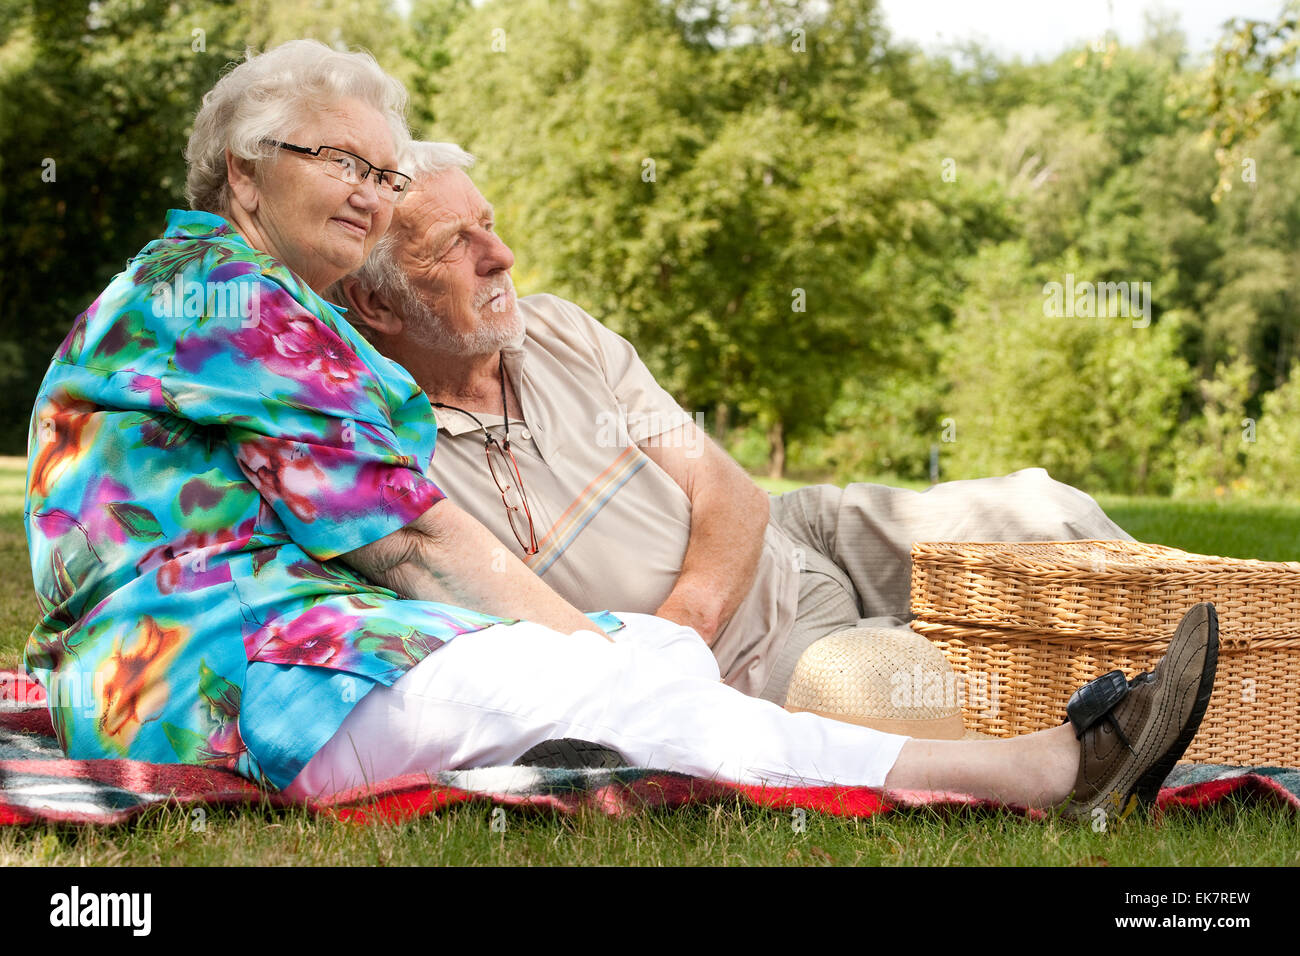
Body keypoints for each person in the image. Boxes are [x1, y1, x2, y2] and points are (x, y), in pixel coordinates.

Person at [24, 43, 1215, 819]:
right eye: (338, 160)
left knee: (1012, 515)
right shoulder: (223, 297)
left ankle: (1087, 736)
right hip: (209, 674)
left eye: (384, 177)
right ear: (241, 172)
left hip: (252, 651)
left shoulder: (242, 300)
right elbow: (416, 548)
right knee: (621, 680)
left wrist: (635, 643)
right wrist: (620, 651)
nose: (367, 193)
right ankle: (1044, 770)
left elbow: (417, 540)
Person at [338, 142, 1135, 703]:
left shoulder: (559, 330)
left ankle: (1249, 657)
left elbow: (725, 485)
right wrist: (690, 647)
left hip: (797, 534)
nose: (502, 254)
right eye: (456, 245)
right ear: (376, 303)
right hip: (746, 660)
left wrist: (687, 613)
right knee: (926, 685)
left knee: (1045, 512)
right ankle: (1197, 755)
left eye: (490, 221)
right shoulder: (378, 455)